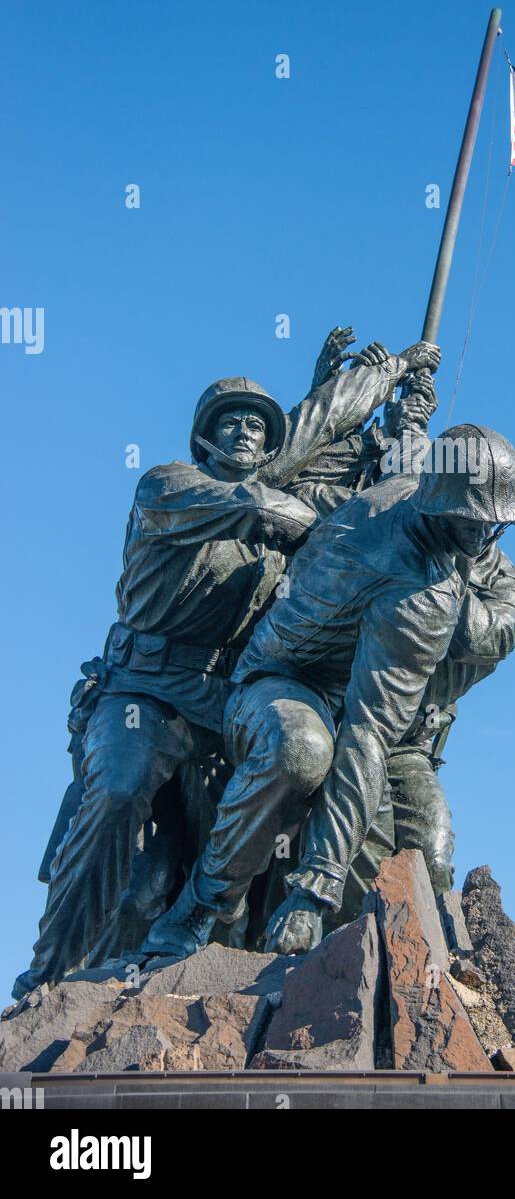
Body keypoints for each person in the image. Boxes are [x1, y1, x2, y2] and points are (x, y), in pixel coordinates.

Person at [12, 334, 440, 998]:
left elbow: (376, 497)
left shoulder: (282, 492)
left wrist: (399, 413)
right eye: (229, 422)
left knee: (281, 795)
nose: (243, 431)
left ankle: (224, 962)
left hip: (225, 701)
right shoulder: (170, 487)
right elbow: (261, 503)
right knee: (120, 789)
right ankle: (47, 975)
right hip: (143, 694)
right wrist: (341, 522)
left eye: (258, 425)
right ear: (204, 441)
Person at [139, 423, 515, 960]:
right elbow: (366, 735)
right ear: (439, 507)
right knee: (302, 749)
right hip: (280, 683)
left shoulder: (429, 532)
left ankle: (410, 985)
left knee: (428, 854)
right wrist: (313, 890)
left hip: (382, 724)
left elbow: (375, 730)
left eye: (497, 526)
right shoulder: (421, 589)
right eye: (475, 525)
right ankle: (201, 909)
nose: (487, 540)